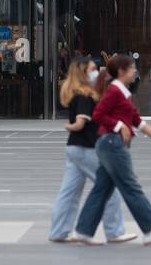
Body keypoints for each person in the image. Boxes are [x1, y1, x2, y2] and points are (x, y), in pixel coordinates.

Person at [73, 54, 151, 246]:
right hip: (112, 144)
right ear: (121, 72)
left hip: (110, 144)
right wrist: (119, 126)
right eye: (132, 68)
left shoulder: (123, 92)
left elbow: (137, 120)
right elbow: (98, 114)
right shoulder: (114, 91)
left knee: (102, 189)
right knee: (131, 186)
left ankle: (84, 231)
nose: (135, 71)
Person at [47, 58, 134, 244]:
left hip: (74, 149)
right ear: (83, 72)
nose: (96, 72)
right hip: (86, 148)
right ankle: (114, 231)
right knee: (109, 187)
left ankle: (59, 231)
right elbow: (79, 124)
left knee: (69, 192)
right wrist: (69, 126)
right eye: (92, 69)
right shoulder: (85, 96)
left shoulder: (77, 93)